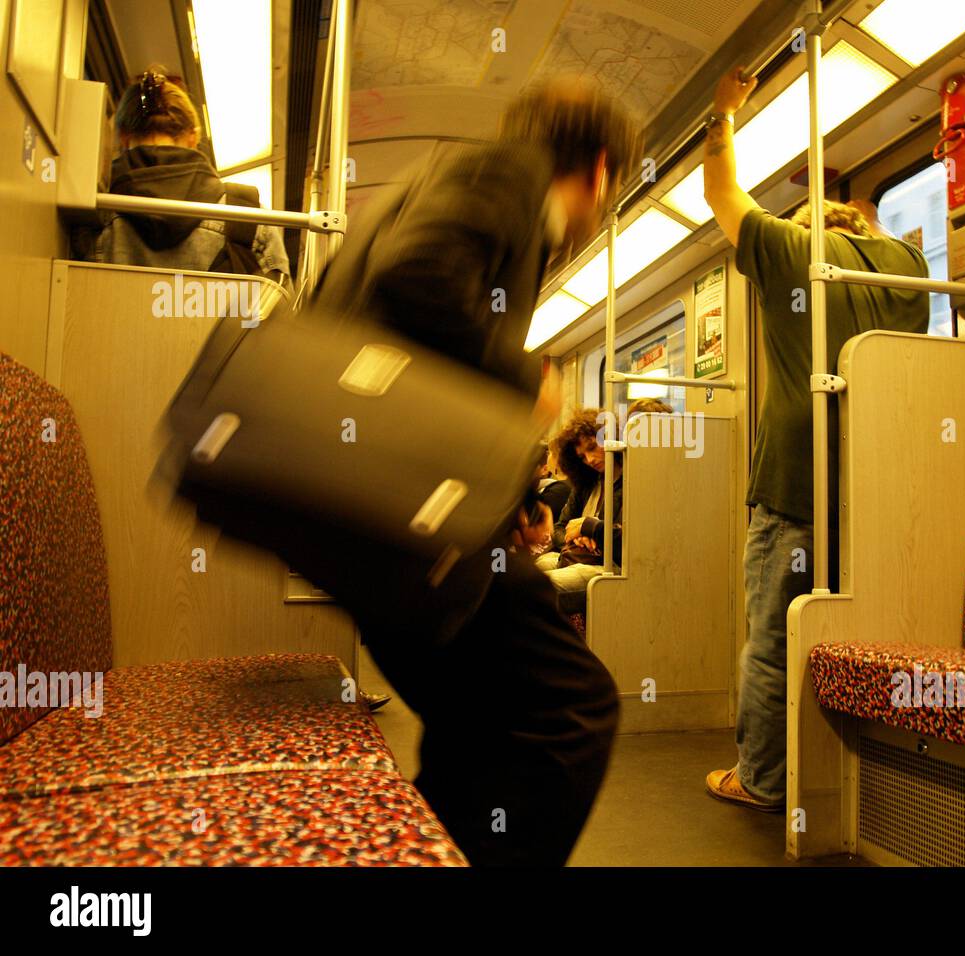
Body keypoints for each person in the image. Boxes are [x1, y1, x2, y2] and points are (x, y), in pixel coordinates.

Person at [190, 78, 643, 865]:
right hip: (398, 531)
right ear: (600, 170)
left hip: (375, 526)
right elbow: (420, 279)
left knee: (476, 729)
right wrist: (525, 375)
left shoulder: (437, 184)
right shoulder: (506, 177)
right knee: (569, 709)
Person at [700, 67, 930, 812]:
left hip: (796, 478)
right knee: (852, 625)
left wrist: (723, 112)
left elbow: (720, 192)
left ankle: (763, 780)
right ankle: (860, 791)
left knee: (772, 636)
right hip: (876, 483)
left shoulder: (786, 248)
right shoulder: (909, 265)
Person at [72, 67, 291, 284]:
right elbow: (280, 307)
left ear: (124, 138)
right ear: (193, 137)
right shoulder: (246, 213)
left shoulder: (92, 214)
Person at [537, 408, 622, 614]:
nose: (590, 460)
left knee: (540, 587)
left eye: (592, 447)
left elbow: (630, 542)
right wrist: (575, 537)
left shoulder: (632, 482)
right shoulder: (586, 482)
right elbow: (559, 528)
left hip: (610, 565)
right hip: (576, 554)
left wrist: (589, 527)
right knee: (528, 572)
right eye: (582, 457)